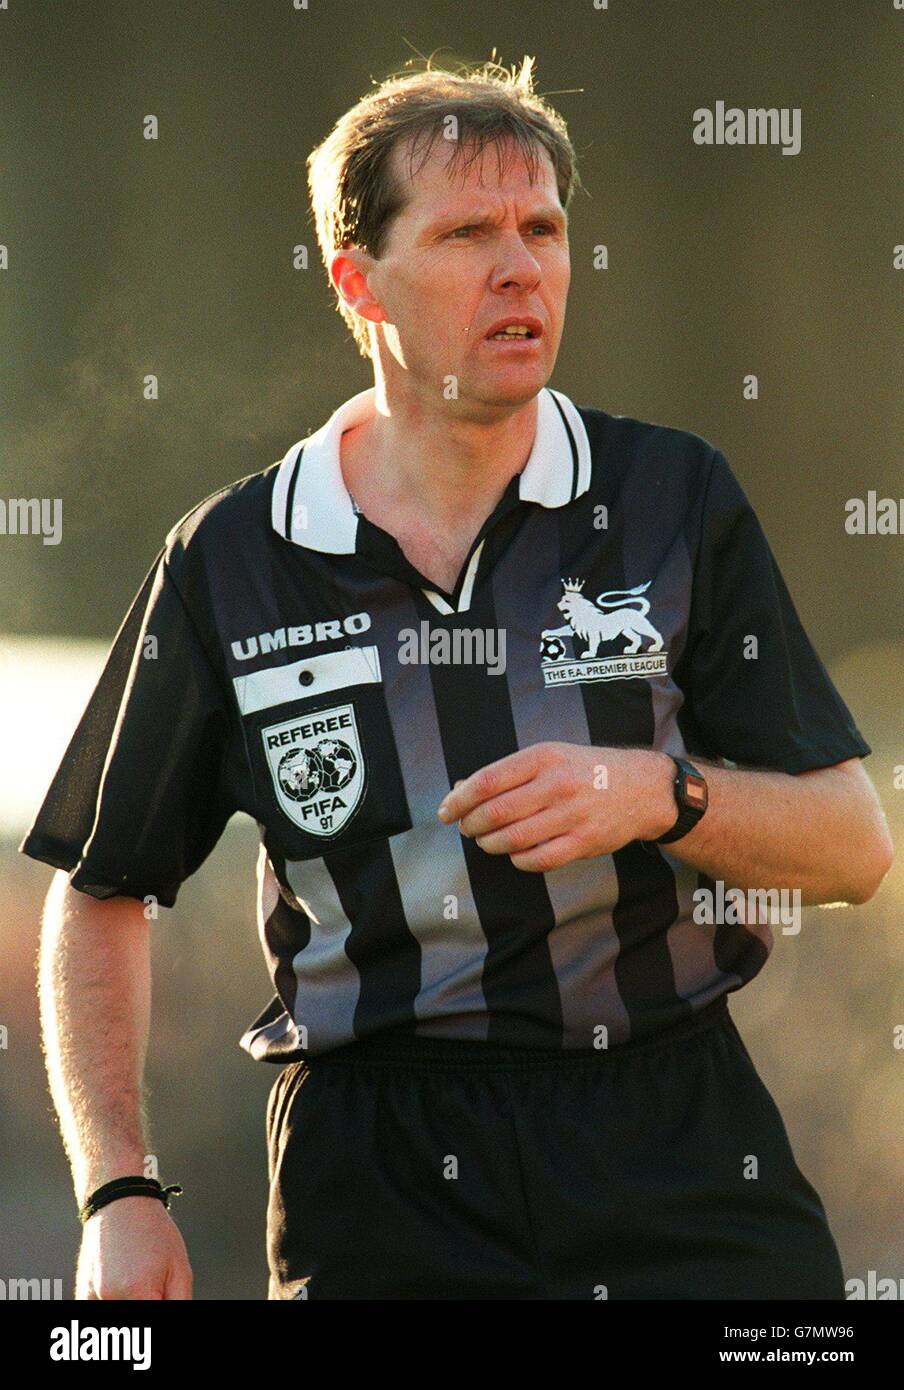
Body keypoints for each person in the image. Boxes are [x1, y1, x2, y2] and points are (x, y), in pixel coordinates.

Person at [22, 56, 893, 1301]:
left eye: (542, 228)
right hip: (375, 1165)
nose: (520, 266)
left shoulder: (668, 498)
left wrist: (663, 793)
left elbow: (854, 847)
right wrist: (116, 1189)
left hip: (675, 1133)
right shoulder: (234, 560)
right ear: (356, 281)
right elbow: (100, 889)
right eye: (467, 232)